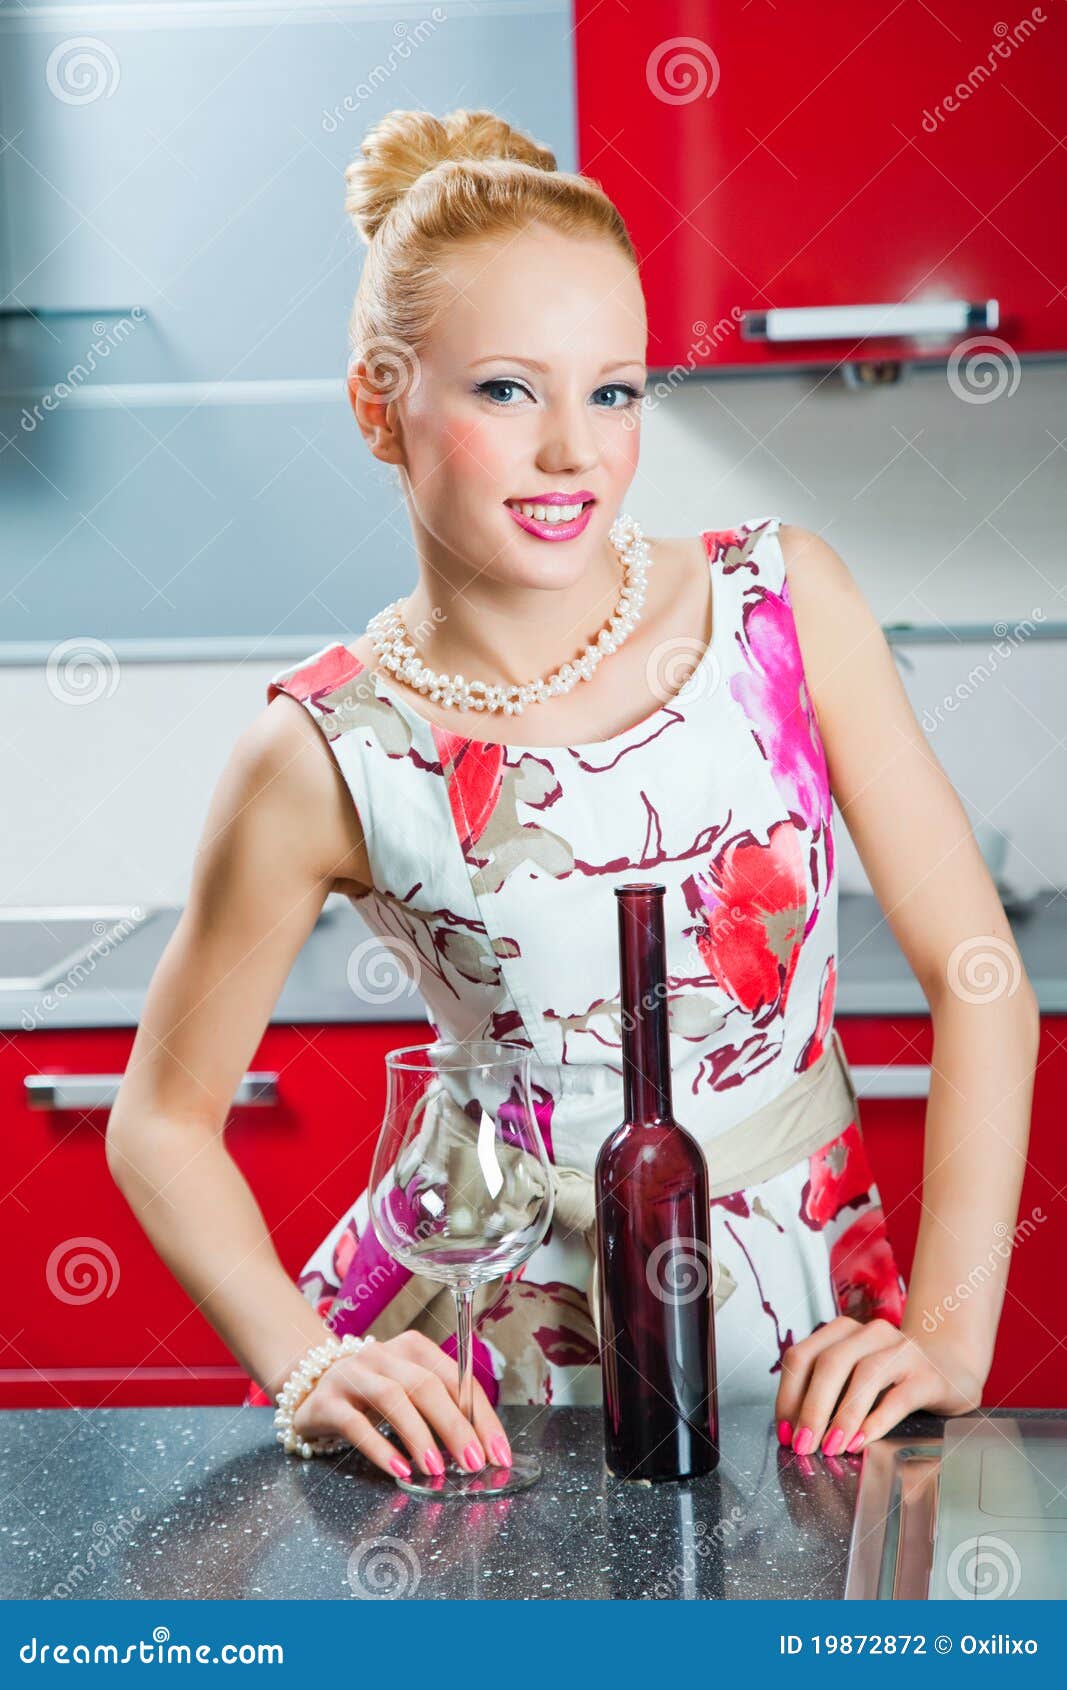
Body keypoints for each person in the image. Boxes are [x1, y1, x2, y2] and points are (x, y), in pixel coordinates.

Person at [106, 107, 1039, 1483]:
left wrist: (953, 1341)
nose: (572, 452)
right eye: (504, 390)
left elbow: (978, 976)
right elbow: (160, 1120)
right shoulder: (324, 744)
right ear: (378, 404)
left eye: (612, 391)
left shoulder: (783, 603)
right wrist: (307, 1358)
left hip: (804, 1339)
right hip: (483, 1383)